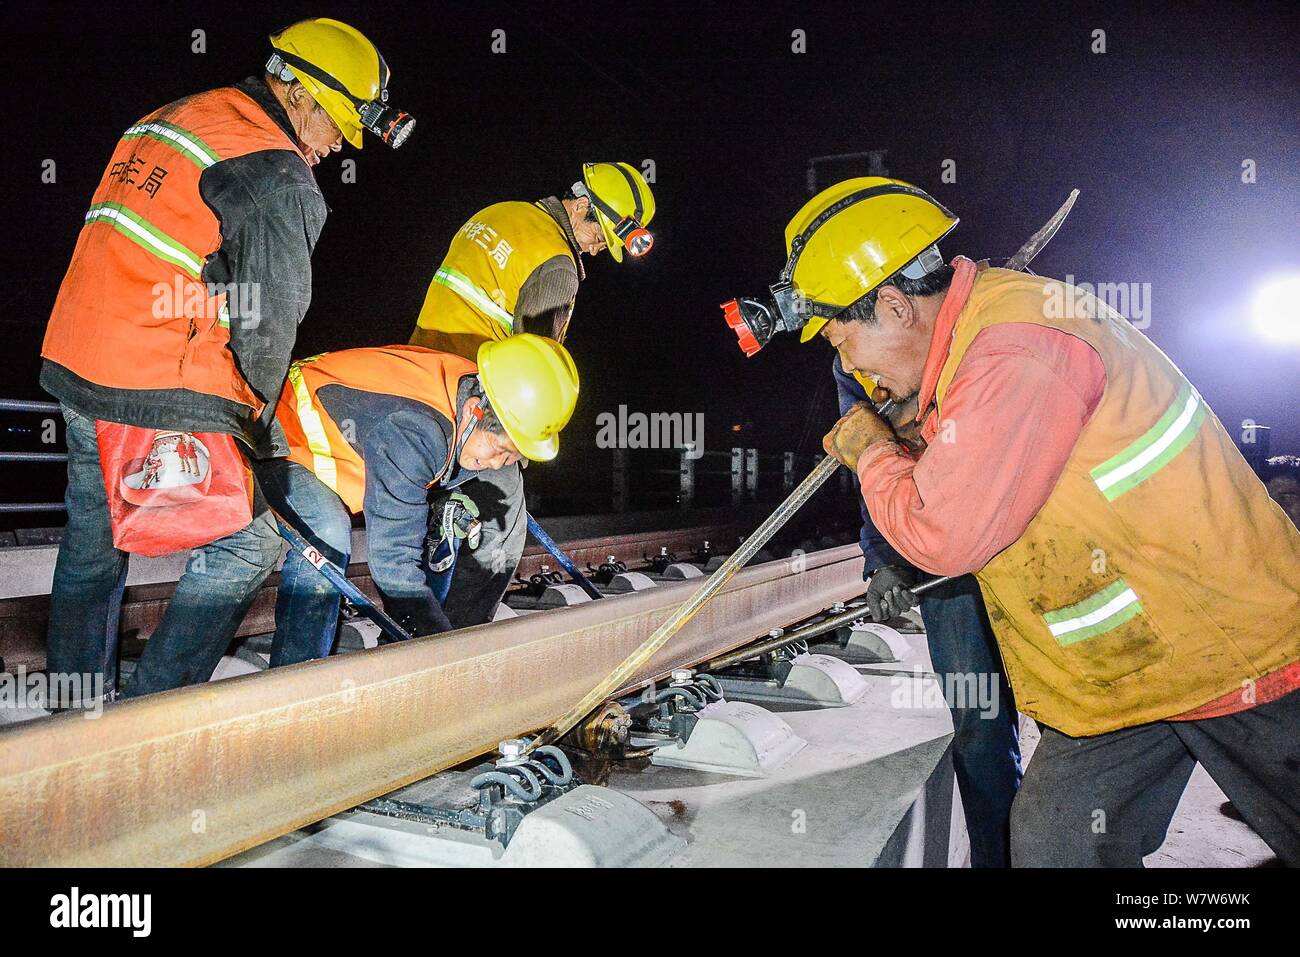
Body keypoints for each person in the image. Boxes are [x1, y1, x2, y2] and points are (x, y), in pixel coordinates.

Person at [788, 176, 1298, 866]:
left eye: (846, 344)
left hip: (1228, 644)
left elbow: (945, 536)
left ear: (894, 306)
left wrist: (871, 449)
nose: (851, 369)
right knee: (1057, 846)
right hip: (1126, 676)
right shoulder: (973, 347)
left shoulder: (1012, 347)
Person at [40, 18, 412, 706]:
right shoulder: (277, 170)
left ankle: (74, 714)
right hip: (151, 378)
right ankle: (155, 709)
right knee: (256, 539)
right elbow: (267, 331)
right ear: (298, 92)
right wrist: (259, 448)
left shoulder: (174, 116)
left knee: (93, 545)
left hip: (75, 355)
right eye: (336, 125)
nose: (335, 146)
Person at [408, 163, 656, 627]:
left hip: (421, 381)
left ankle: (411, 625)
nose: (602, 248)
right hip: (478, 410)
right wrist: (521, 442)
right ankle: (448, 650)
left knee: (436, 524)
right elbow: (536, 367)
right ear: (582, 204)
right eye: (602, 233)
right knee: (501, 535)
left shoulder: (503, 214)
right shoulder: (557, 263)